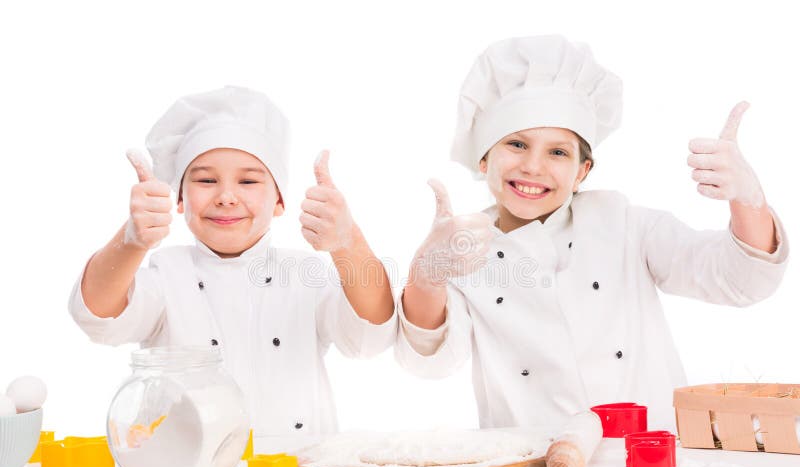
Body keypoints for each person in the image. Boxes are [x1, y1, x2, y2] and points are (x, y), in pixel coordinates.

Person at [394, 35, 789, 432]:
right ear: (484, 156)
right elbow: (429, 360)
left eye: (558, 152)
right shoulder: (462, 250)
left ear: (582, 171)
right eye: (516, 143)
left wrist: (748, 199)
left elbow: (740, 281)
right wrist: (427, 276)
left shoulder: (628, 226)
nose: (532, 166)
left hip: (650, 465)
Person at [69, 86, 396, 436]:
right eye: (206, 180)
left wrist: (348, 244)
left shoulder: (304, 275)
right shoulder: (166, 275)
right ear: (180, 199)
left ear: (280, 201)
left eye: (248, 180)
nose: (226, 196)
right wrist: (131, 242)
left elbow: (370, 333)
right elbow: (97, 315)